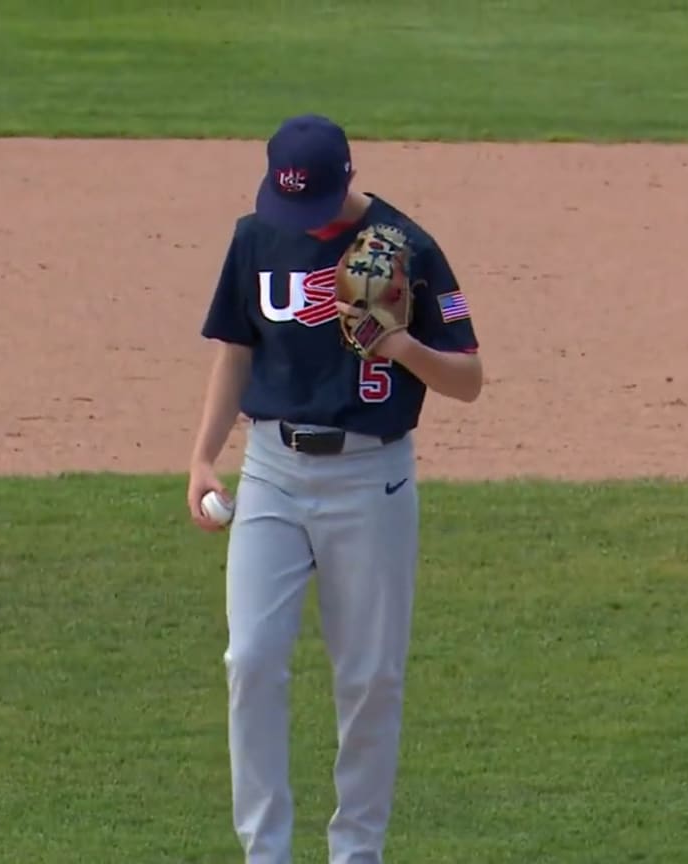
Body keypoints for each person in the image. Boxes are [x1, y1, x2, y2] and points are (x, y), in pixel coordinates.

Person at [186, 113, 484, 864]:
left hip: (369, 480)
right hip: (271, 472)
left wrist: (400, 344)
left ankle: (357, 852)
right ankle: (266, 853)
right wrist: (201, 458)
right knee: (250, 659)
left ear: (346, 181)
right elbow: (235, 353)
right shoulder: (256, 236)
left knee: (371, 679)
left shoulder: (408, 247)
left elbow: (470, 381)